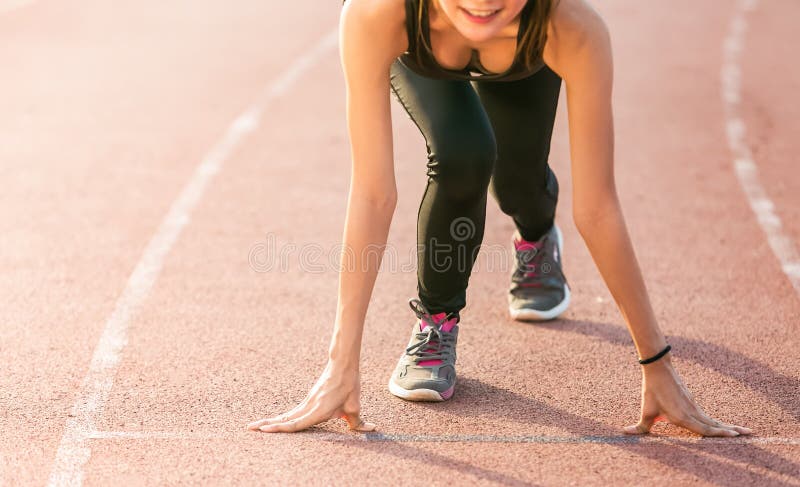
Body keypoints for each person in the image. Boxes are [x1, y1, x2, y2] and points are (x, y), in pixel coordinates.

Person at [247, 0, 752, 437]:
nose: (483, 2)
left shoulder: (570, 27)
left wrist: (657, 364)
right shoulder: (378, 13)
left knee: (518, 180)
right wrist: (341, 366)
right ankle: (436, 322)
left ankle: (536, 238)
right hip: (422, 43)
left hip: (523, 61)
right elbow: (374, 193)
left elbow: (597, 207)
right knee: (463, 153)